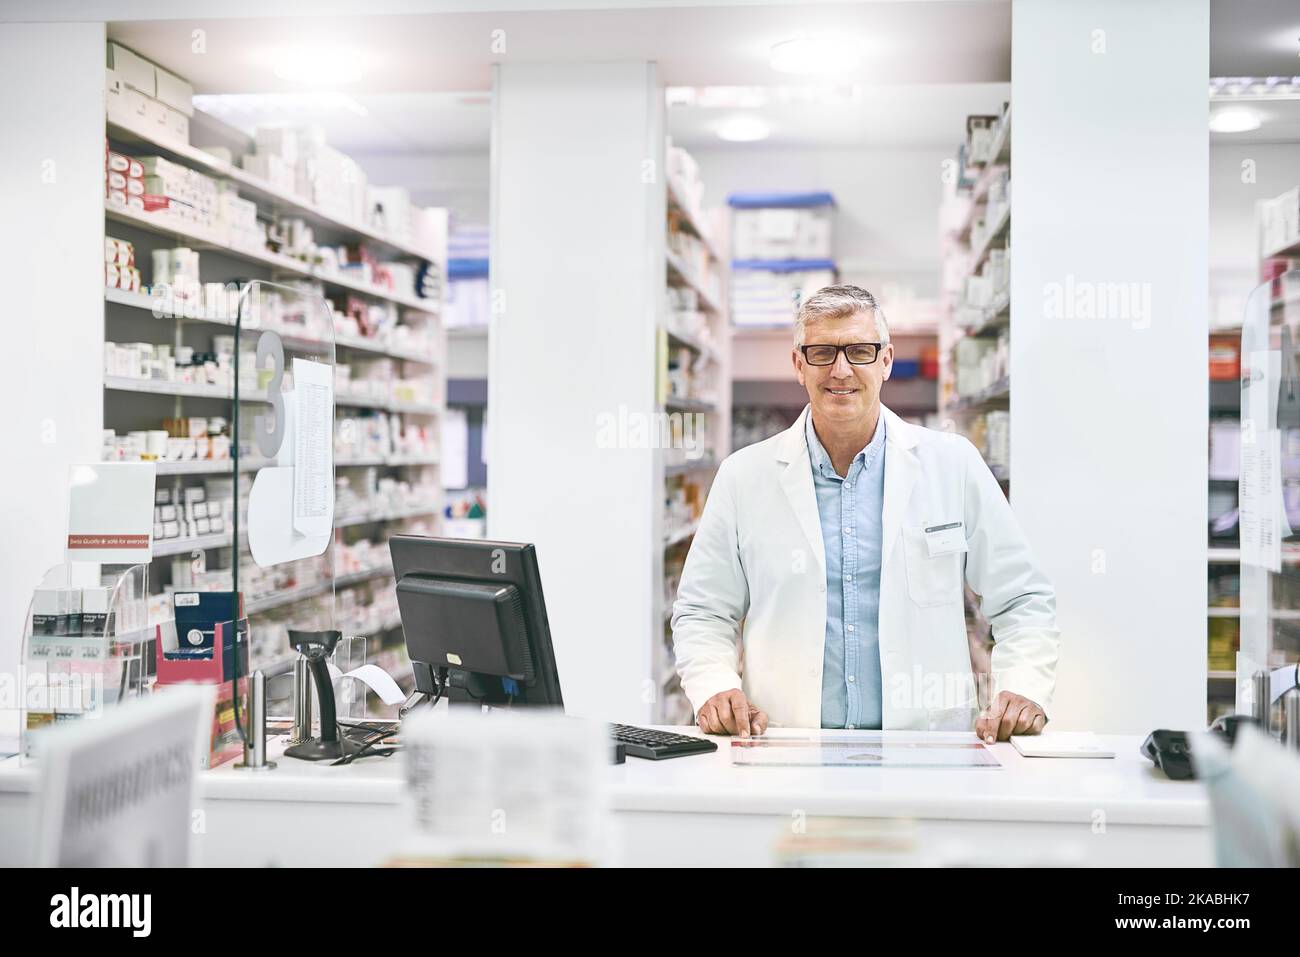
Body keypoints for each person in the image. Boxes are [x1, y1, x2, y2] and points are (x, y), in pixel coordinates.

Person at [671, 285, 1059, 742]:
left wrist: (1023, 686)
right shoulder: (743, 476)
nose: (840, 370)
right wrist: (715, 687)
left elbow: (1023, 599)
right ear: (798, 364)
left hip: (927, 747)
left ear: (886, 361)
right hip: (785, 745)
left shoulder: (952, 464)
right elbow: (702, 610)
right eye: (821, 352)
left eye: (859, 351)